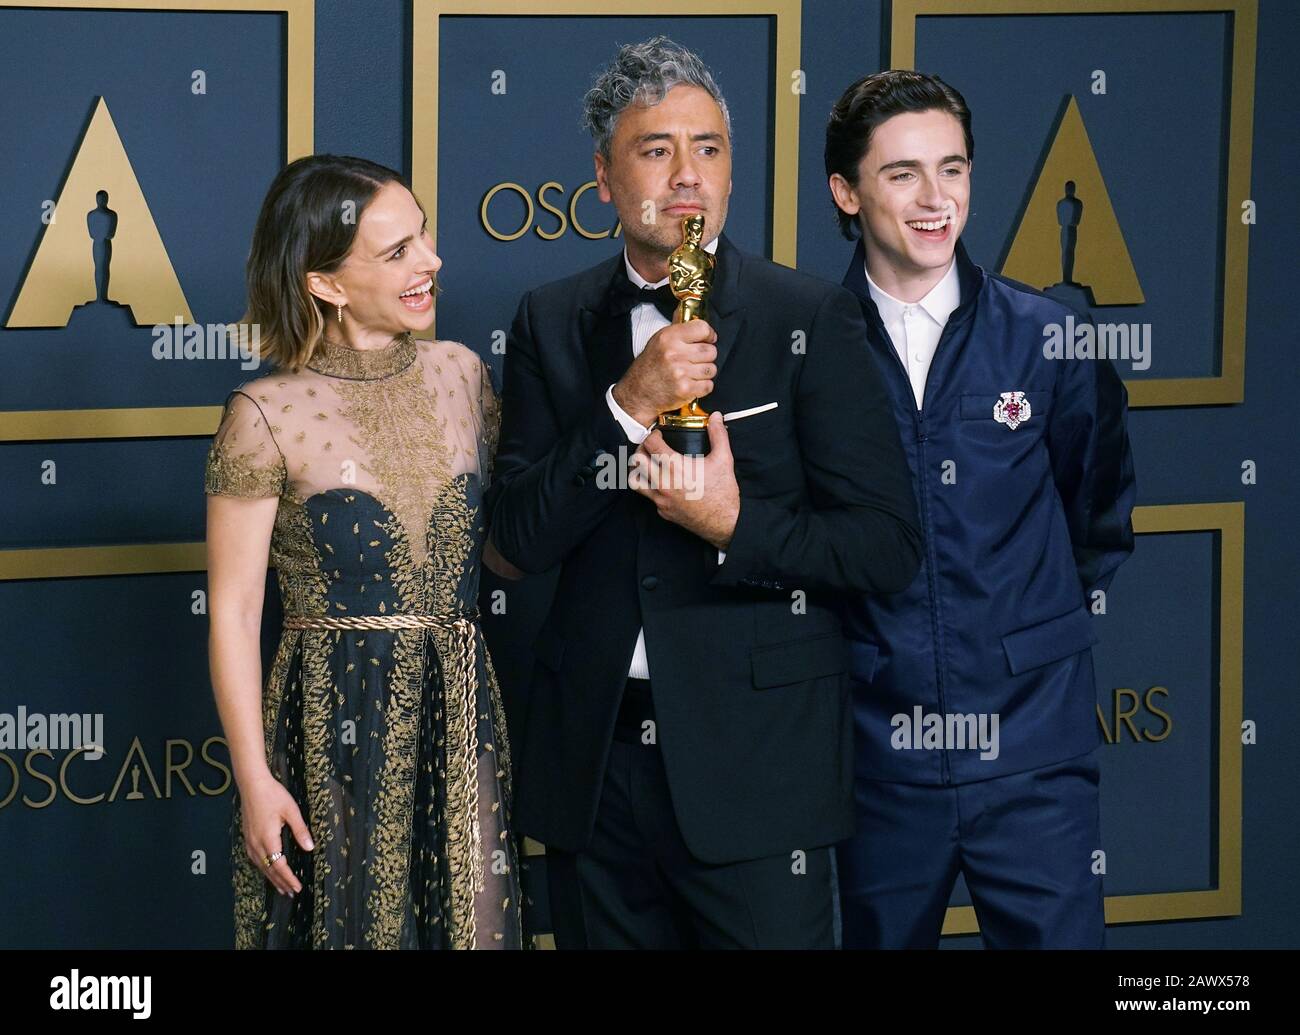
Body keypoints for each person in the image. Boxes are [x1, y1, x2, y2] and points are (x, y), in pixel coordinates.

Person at [485, 37, 921, 949]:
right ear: (602, 177)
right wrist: (623, 404)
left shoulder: (811, 316)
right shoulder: (550, 320)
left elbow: (884, 545)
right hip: (595, 772)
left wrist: (734, 525)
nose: (689, 176)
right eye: (656, 150)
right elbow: (514, 543)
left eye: (710, 149)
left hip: (759, 773)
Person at [825, 70, 1137, 949]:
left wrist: (1022, 626)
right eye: (903, 174)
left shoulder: (1050, 340)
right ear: (846, 192)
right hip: (874, 751)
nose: (936, 200)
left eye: (953, 169)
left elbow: (1097, 508)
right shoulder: (807, 348)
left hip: (1034, 746)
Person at [205, 155, 524, 949]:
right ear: (327, 284)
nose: (431, 262)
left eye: (422, 236)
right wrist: (253, 778)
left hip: (460, 710)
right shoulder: (264, 413)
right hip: (331, 718)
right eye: (397, 252)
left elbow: (512, 544)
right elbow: (237, 612)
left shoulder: (463, 375)